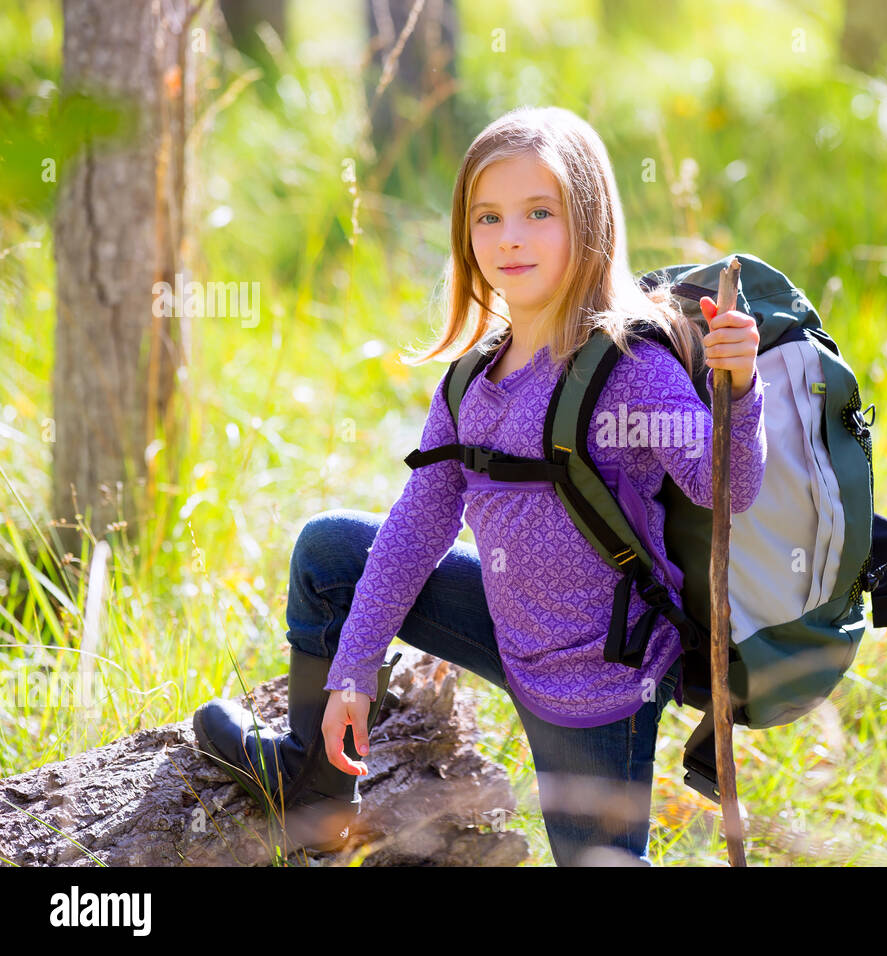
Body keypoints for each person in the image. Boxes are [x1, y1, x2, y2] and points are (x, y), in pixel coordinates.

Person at [193, 105, 766, 865]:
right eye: (488, 216)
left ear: (589, 222)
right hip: (506, 625)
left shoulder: (628, 367)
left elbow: (726, 491)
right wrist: (354, 670)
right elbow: (415, 527)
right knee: (330, 551)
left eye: (540, 212)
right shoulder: (472, 382)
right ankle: (316, 785)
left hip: (595, 681)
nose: (511, 238)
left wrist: (741, 388)